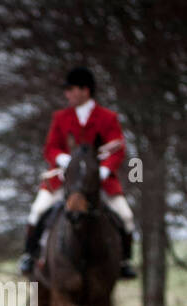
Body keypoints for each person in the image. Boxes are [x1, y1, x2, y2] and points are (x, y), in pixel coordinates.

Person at [20, 66, 137, 279]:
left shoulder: (108, 118)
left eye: (71, 89)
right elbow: (50, 148)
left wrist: (103, 171)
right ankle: (30, 256)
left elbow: (117, 149)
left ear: (85, 90)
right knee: (37, 211)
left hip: (99, 182)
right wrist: (63, 159)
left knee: (126, 216)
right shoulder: (61, 117)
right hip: (62, 179)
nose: (67, 94)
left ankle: (124, 262)